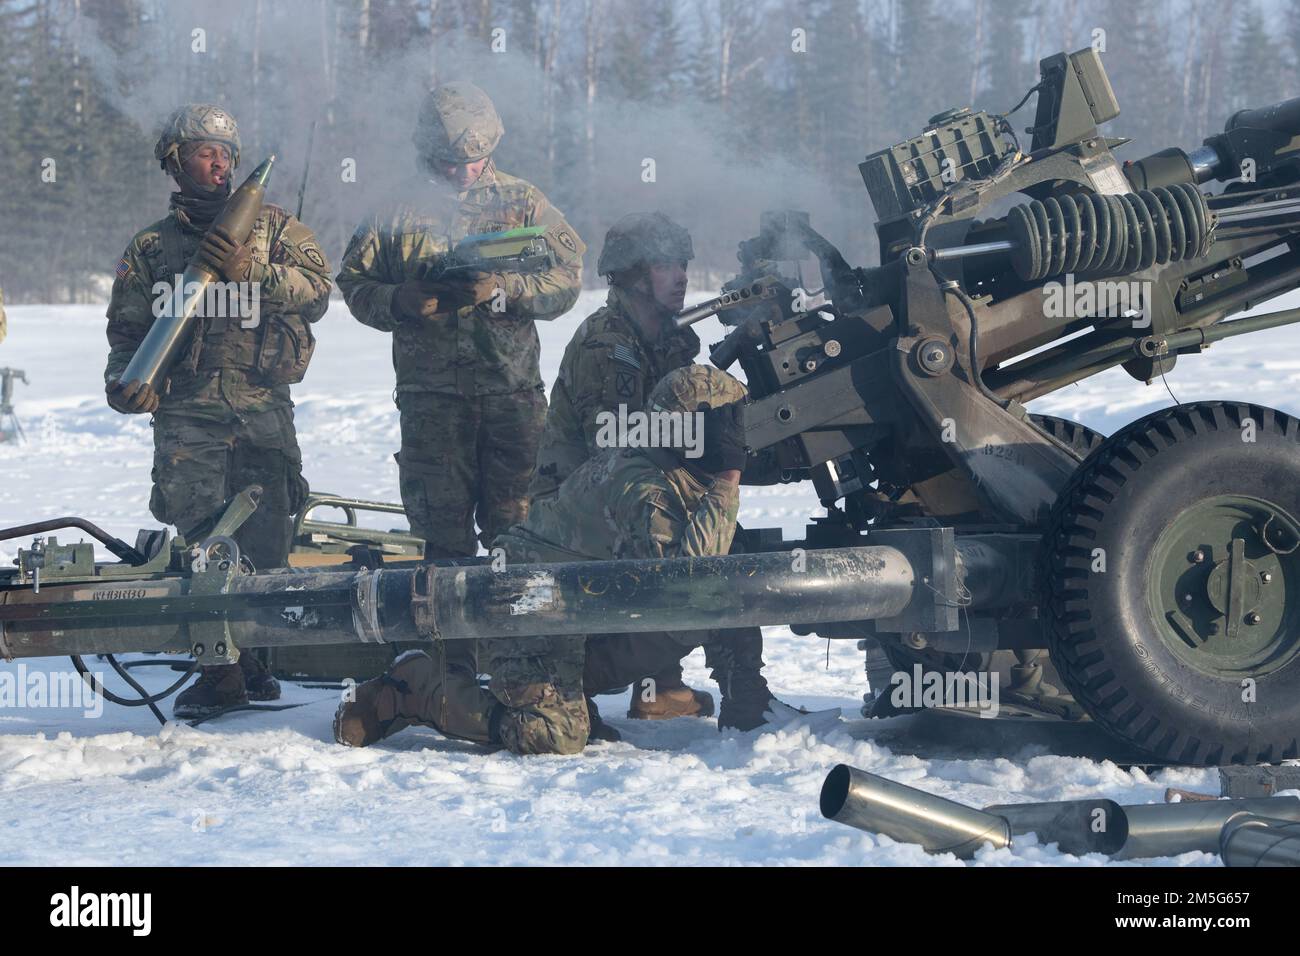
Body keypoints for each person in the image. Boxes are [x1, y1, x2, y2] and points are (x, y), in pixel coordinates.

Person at [335, 365, 821, 755]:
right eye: (727, 424)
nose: (736, 435)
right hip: (525, 613)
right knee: (550, 737)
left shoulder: (678, 468)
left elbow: (716, 574)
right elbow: (691, 582)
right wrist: (730, 474)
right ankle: (418, 686)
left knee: (727, 575)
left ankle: (747, 704)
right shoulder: (645, 486)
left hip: (585, 613)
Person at [104, 104, 332, 718]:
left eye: (226, 152)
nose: (220, 161)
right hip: (187, 417)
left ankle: (259, 658)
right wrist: (123, 386)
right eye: (204, 151)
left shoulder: (278, 229)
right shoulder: (151, 247)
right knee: (202, 541)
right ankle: (220, 671)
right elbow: (127, 334)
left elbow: (319, 294)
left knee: (267, 534)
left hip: (263, 410)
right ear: (175, 161)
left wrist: (250, 269)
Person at [336, 81, 585, 563]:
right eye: (451, 162)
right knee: (438, 541)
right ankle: (446, 638)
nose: (465, 171)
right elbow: (353, 284)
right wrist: (400, 300)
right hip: (432, 404)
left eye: (475, 160)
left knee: (523, 535)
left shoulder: (525, 202)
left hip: (511, 401)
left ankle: (518, 637)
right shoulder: (392, 210)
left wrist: (506, 289)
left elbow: (568, 281)